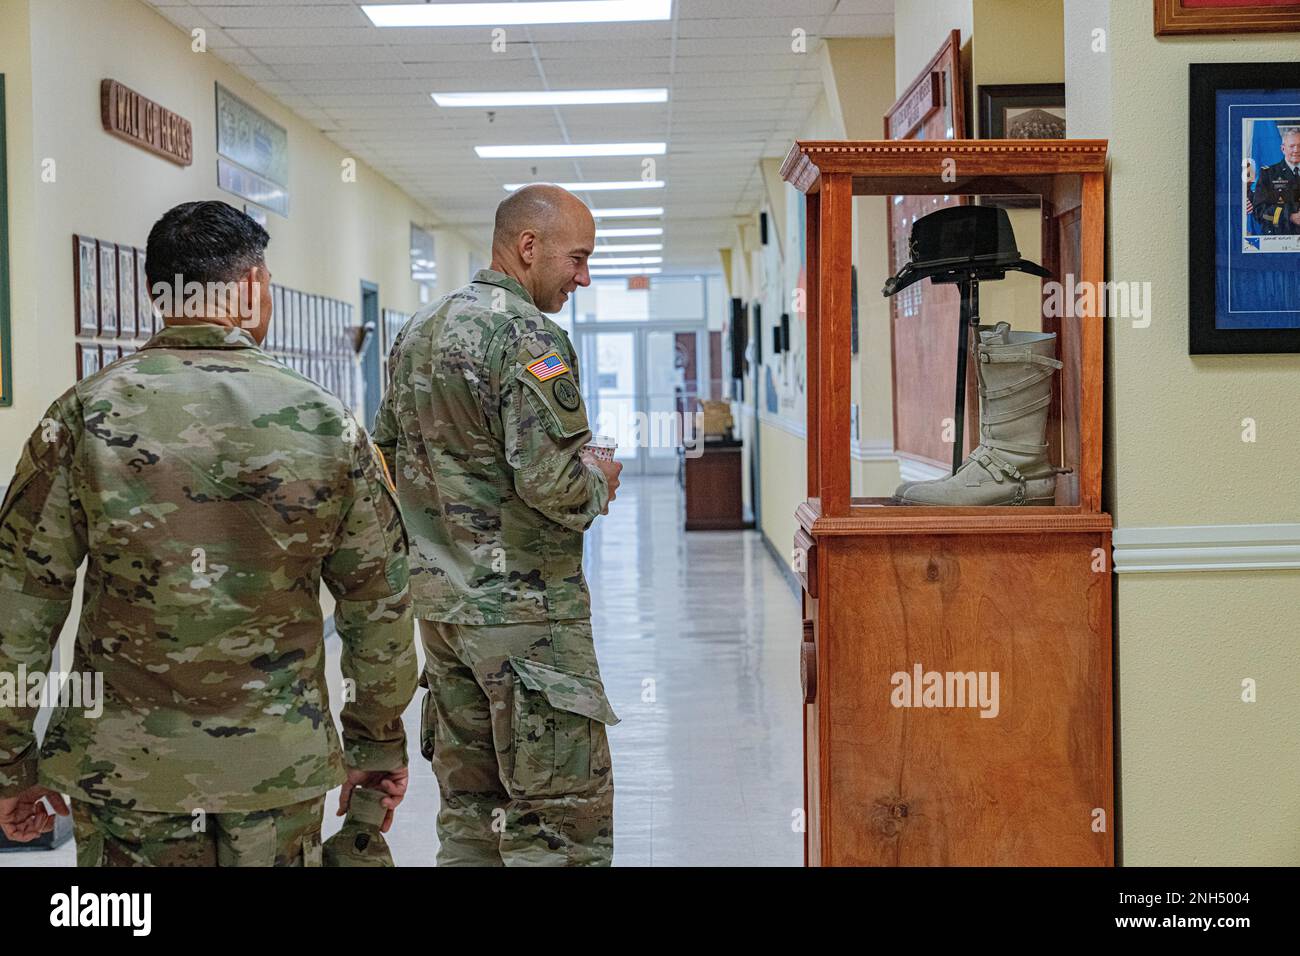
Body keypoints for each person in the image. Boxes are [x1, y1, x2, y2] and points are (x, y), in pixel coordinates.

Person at [0, 200, 417, 865]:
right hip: (278, 766)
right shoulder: (325, 422)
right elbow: (380, 601)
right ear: (254, 288)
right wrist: (376, 744)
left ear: (156, 294)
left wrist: (9, 762)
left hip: (127, 774)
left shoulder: (83, 417)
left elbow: (21, 600)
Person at [373, 183, 622, 866]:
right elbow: (553, 484)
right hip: (526, 621)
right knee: (559, 823)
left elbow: (385, 461)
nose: (584, 276)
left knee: (471, 815)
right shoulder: (529, 336)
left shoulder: (417, 331)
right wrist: (599, 478)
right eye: (577, 258)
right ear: (527, 246)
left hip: (445, 617)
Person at [1248, 127, 1300, 235]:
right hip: (1279, 237)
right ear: (1283, 149)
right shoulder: (1268, 174)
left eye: (1299, 146)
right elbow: (1259, 212)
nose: (1296, 150)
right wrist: (1289, 216)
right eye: (1292, 146)